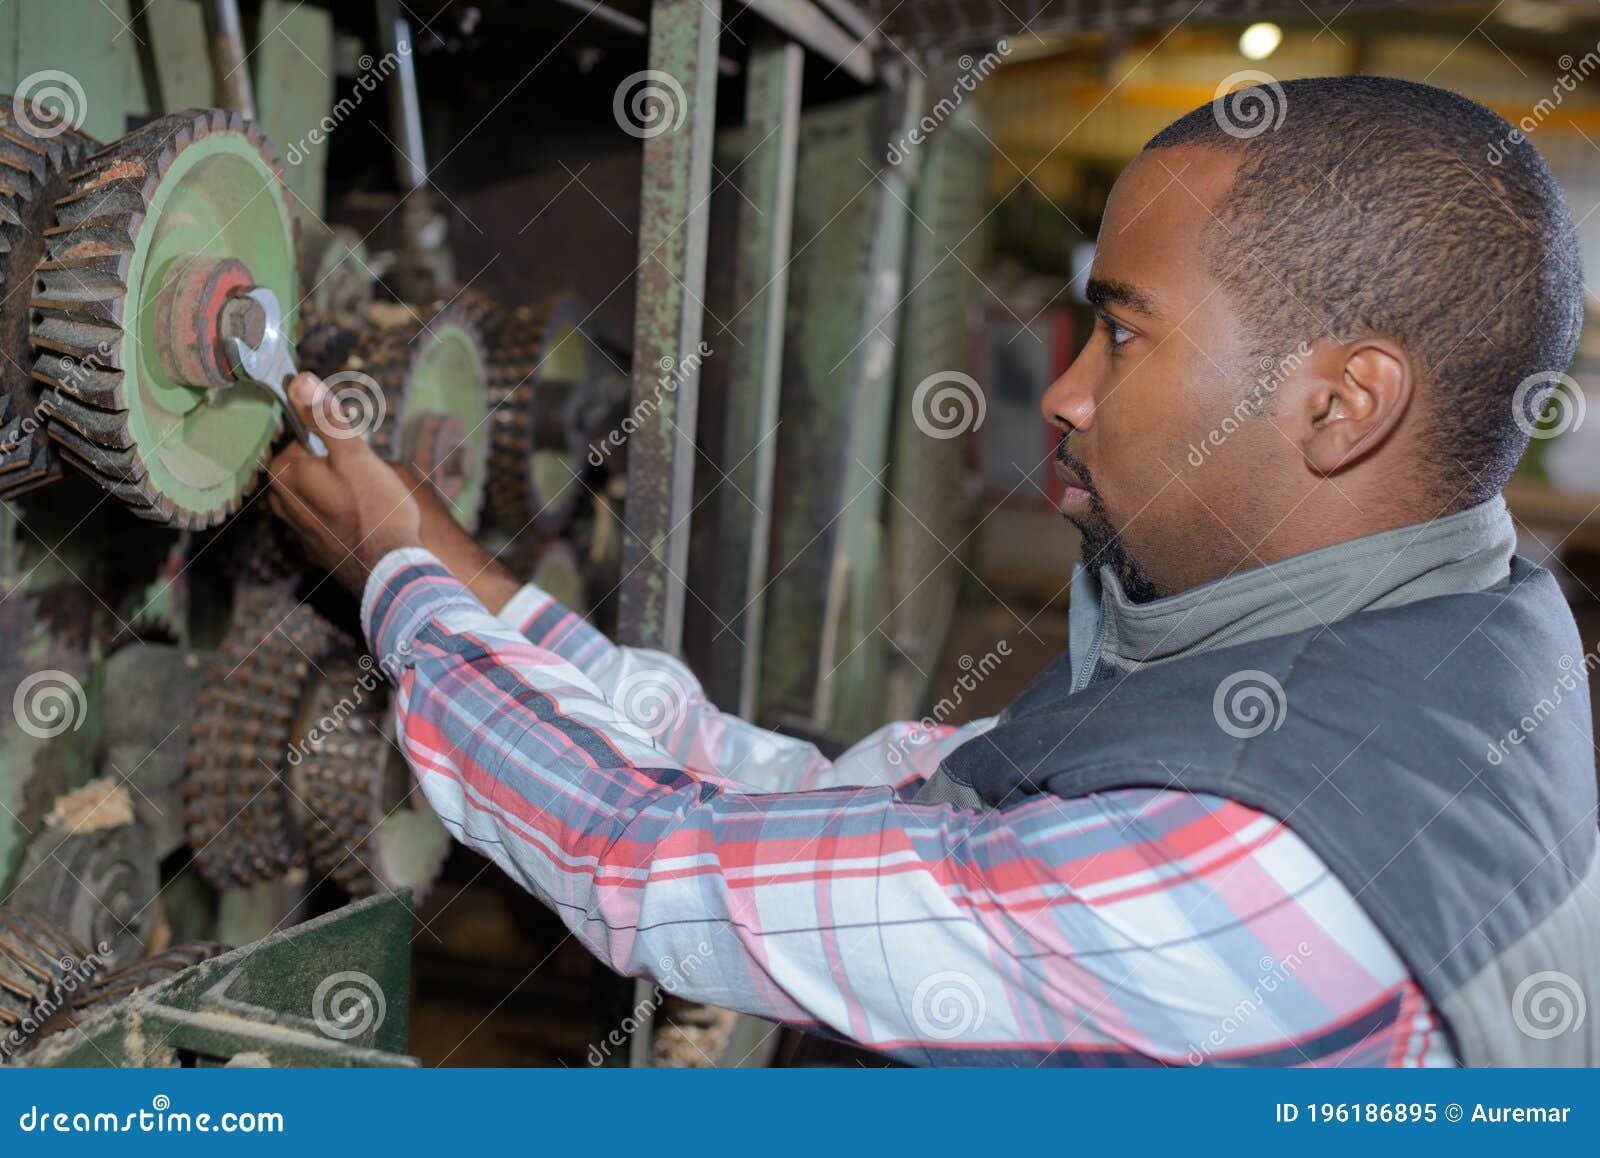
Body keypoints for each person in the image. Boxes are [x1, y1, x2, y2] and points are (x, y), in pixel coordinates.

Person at [268, 76, 1599, 1067]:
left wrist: (396, 584)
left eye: (1124, 341)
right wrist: (450, 564)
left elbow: (652, 856)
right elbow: (825, 808)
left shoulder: (1236, 872)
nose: (1063, 395)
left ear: (1344, 403)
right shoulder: (1464, 644)